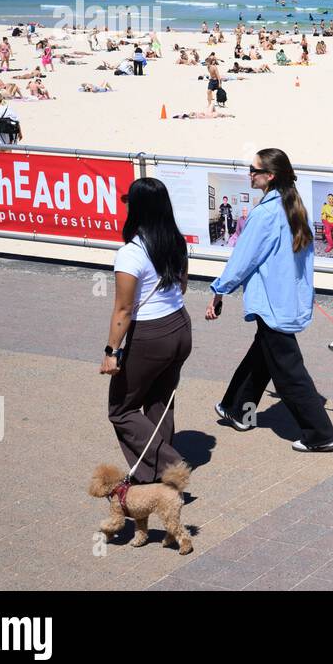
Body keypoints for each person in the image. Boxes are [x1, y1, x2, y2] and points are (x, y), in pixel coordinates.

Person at [207, 149, 333, 453]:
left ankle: (320, 434)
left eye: (254, 170)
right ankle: (237, 408)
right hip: (284, 299)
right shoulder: (293, 206)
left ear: (270, 176)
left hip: (272, 301)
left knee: (289, 370)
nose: (249, 174)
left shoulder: (266, 213)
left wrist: (220, 289)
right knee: (263, 354)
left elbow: (243, 259)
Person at [102, 178, 192, 483]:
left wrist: (111, 351)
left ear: (137, 208)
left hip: (152, 334)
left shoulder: (130, 252)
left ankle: (171, 464)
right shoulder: (177, 242)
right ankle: (158, 478)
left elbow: (124, 309)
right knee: (160, 402)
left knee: (121, 408)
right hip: (180, 325)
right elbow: (183, 285)